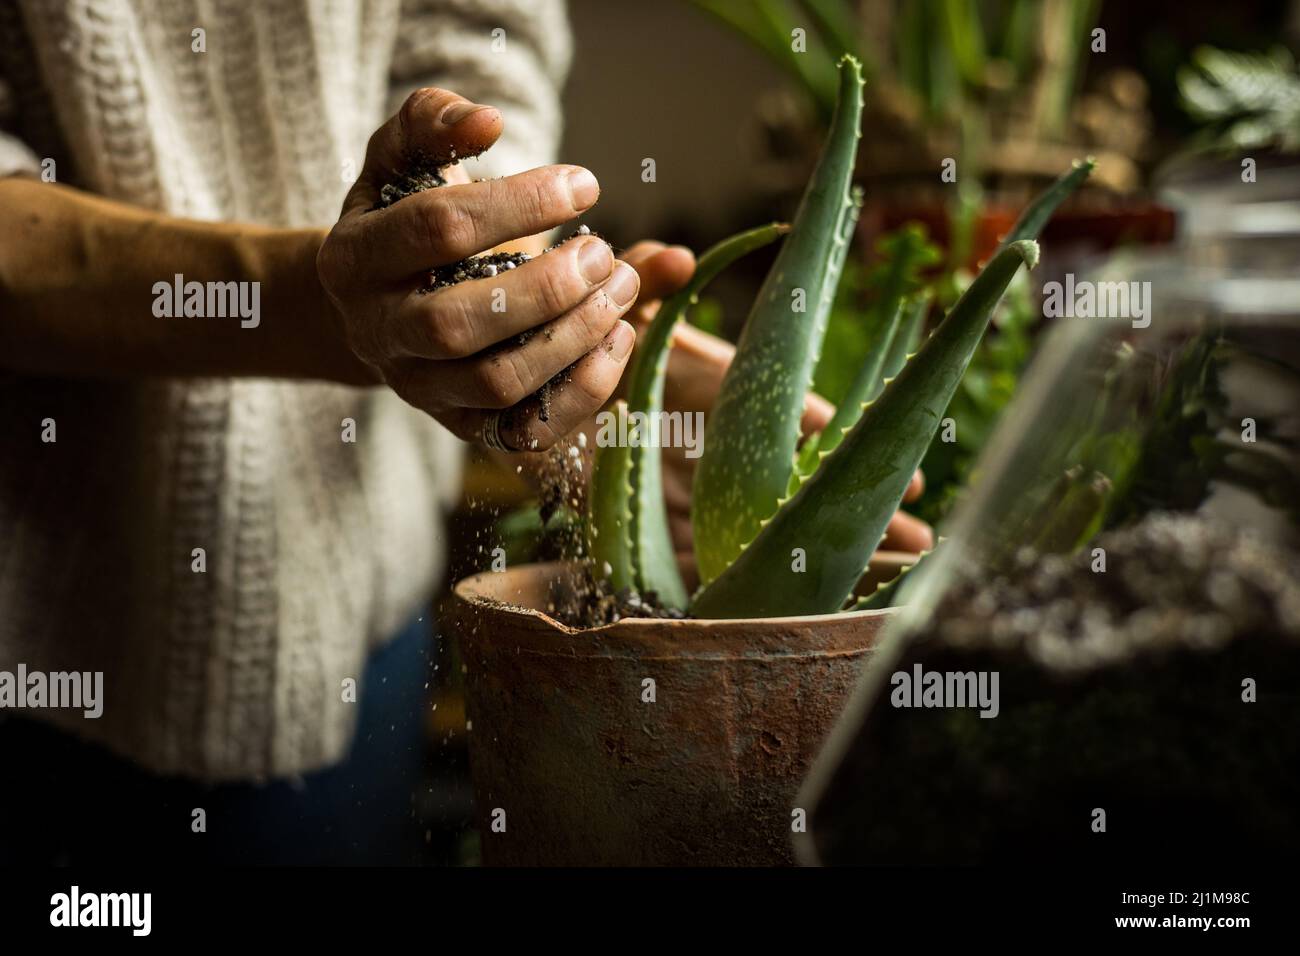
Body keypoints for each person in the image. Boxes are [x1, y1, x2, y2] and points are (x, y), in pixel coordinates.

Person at [0, 0, 930, 864]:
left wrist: (508, 280)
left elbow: (487, 34)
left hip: (355, 610)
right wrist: (346, 303)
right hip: (44, 638)